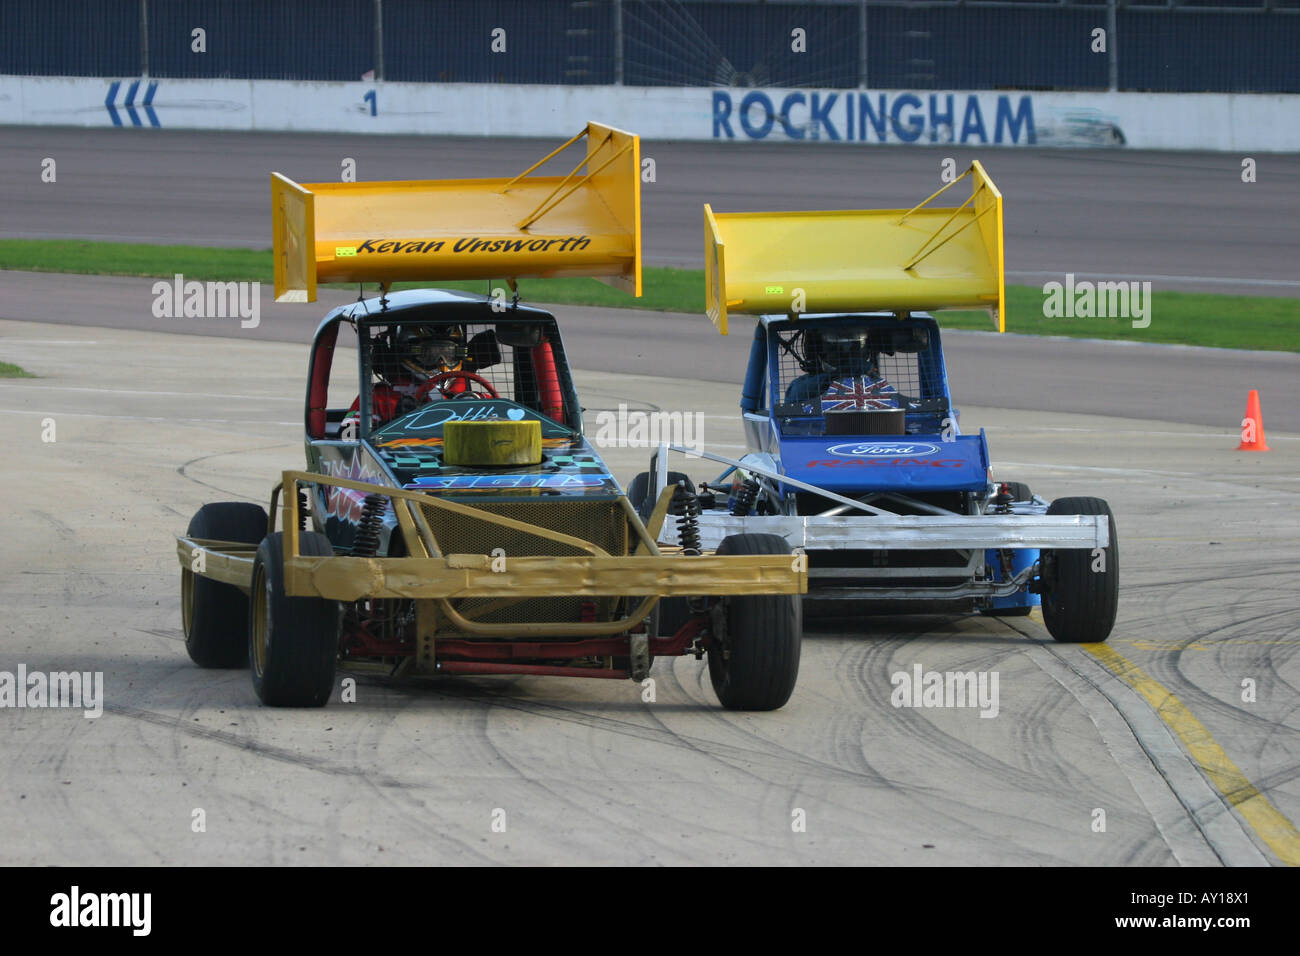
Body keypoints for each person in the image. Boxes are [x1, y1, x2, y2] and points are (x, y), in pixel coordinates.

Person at [784, 326, 899, 411]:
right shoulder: (803, 386)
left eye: (853, 349)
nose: (846, 356)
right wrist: (834, 377)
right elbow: (792, 405)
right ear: (819, 352)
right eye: (836, 350)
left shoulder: (874, 384)